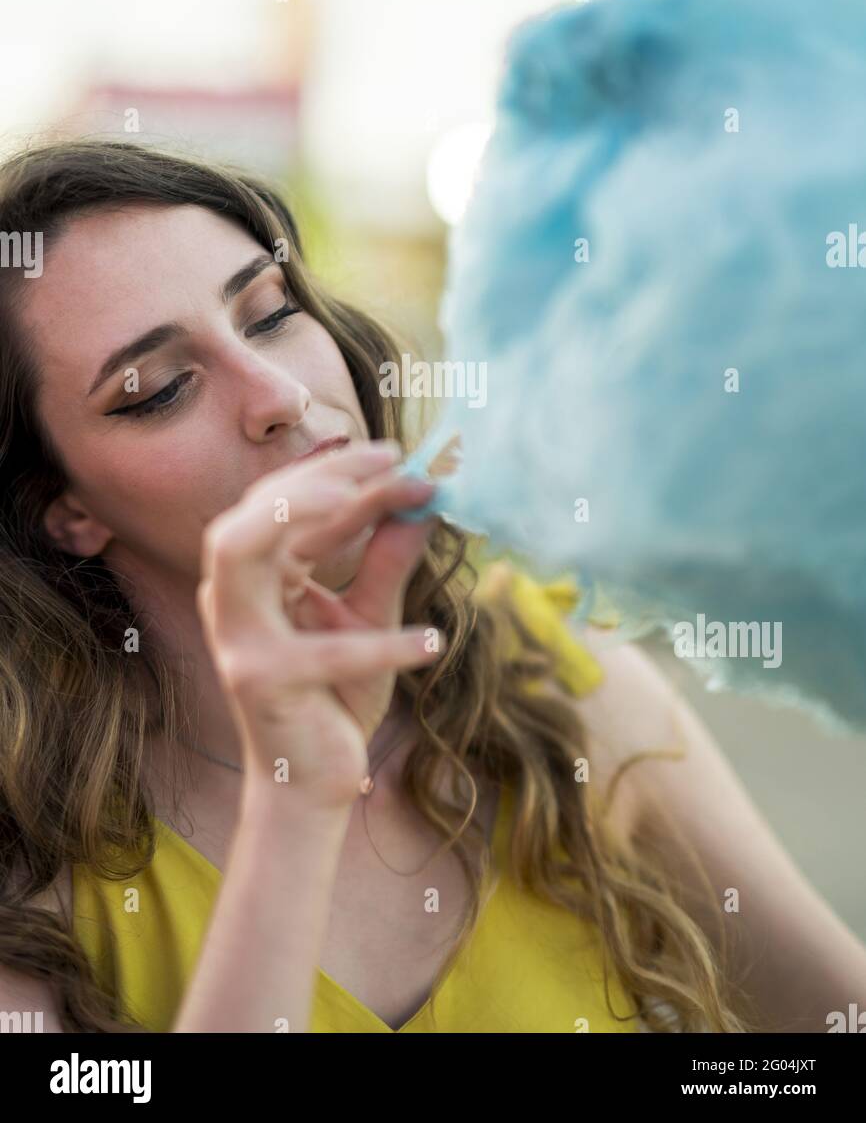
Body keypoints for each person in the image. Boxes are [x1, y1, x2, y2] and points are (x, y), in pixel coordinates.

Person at [0, 139, 862, 1034]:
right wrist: (297, 803)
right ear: (61, 507)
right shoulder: (27, 868)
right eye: (161, 389)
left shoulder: (562, 694)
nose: (282, 395)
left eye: (268, 314)